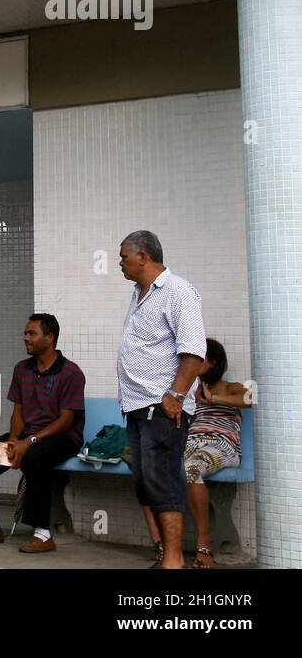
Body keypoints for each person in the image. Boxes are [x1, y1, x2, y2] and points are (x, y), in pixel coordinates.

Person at [116, 230, 206, 570]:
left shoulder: (178, 291)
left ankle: (173, 559)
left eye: (123, 256)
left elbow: (194, 350)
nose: (119, 262)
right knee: (144, 480)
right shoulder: (140, 293)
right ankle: (165, 551)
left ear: (144, 256)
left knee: (163, 477)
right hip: (137, 405)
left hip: (162, 404)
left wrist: (177, 395)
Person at [0, 314, 85, 553]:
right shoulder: (22, 369)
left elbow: (65, 421)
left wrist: (28, 442)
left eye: (32, 334)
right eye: (26, 333)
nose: (25, 338)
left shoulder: (71, 372)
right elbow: (17, 412)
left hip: (63, 438)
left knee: (35, 457)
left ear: (49, 338)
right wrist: (13, 441)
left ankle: (42, 534)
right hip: (26, 437)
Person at [141, 338, 251, 569]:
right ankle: (163, 547)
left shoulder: (228, 387)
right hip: (190, 442)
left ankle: (204, 544)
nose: (188, 363)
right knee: (149, 468)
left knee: (191, 467)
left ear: (211, 362)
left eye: (197, 359)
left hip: (220, 444)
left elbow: (249, 399)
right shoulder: (187, 391)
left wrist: (213, 399)